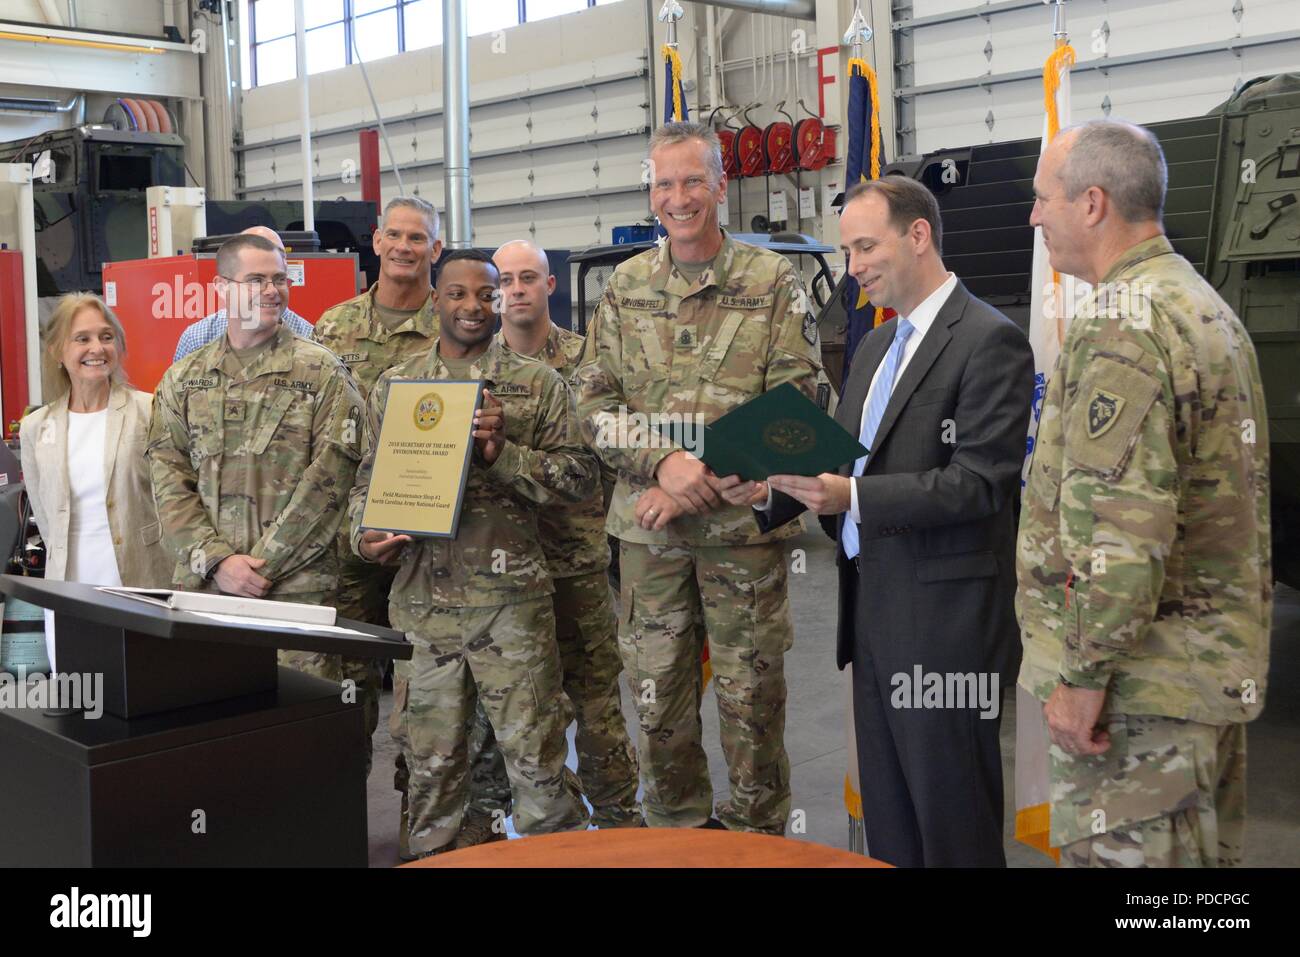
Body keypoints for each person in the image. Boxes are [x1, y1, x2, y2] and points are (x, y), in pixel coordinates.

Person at [749, 176, 1034, 866]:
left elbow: (978, 485)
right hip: (870, 617)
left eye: (866, 247)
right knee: (893, 826)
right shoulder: (874, 349)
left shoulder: (990, 341)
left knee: (953, 825)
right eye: (847, 252)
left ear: (918, 235)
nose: (854, 269)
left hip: (945, 633)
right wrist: (764, 489)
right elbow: (838, 454)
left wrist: (855, 499)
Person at [1017, 119, 1271, 868]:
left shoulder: (1122, 326)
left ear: (1092, 203)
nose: (1034, 218)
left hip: (1139, 699)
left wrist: (1083, 676)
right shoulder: (1201, 307)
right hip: (1195, 680)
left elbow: (1121, 535)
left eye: (1042, 199)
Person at [573, 121, 822, 834]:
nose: (677, 197)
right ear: (649, 192)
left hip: (742, 537)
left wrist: (698, 471)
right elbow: (592, 402)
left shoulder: (771, 282)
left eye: (691, 181)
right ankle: (678, 834)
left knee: (752, 707)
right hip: (652, 543)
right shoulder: (624, 288)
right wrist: (663, 462)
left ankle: (758, 840)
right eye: (663, 183)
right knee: (657, 708)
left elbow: (803, 400)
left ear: (719, 185)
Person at [350, 248, 594, 857]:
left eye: (486, 294)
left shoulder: (537, 384)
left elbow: (581, 480)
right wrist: (366, 533)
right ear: (436, 299)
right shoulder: (397, 386)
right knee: (430, 771)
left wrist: (502, 455)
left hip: (509, 608)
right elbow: (364, 484)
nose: (473, 306)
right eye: (457, 293)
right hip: (423, 610)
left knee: (536, 762)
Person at [314, 196, 508, 855]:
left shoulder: (458, 313)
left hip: (447, 557)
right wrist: (359, 531)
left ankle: (427, 834)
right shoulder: (333, 327)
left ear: (436, 245)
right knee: (356, 698)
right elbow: (329, 444)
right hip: (361, 548)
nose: (403, 245)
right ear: (375, 239)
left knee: (444, 708)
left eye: (416, 236)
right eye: (393, 234)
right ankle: (340, 827)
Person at [147, 233, 366, 725]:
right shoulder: (183, 378)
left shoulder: (322, 372)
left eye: (279, 279)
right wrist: (218, 562)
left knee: (303, 739)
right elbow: (167, 479)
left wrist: (261, 567)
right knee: (207, 733)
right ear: (222, 287)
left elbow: (330, 483)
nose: (272, 290)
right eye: (256, 280)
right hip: (203, 597)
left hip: (295, 597)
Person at [492, 238, 641, 828]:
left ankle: (619, 817)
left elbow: (617, 454)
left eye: (529, 277)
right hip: (503, 572)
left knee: (599, 702)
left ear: (550, 285)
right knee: (526, 711)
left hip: (578, 564)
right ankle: (552, 826)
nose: (517, 289)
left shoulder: (590, 361)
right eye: (505, 280)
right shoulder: (477, 367)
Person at [20, 293, 172, 672]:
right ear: (57, 350)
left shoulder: (148, 410)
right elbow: (44, 511)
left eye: (106, 337)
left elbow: (174, 501)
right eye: (82, 338)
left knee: (144, 686)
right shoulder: (37, 427)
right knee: (80, 701)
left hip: (140, 581)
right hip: (69, 587)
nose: (97, 348)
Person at [172, 226, 313, 361]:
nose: (271, 261)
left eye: (279, 255)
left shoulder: (309, 337)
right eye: (256, 280)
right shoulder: (197, 339)